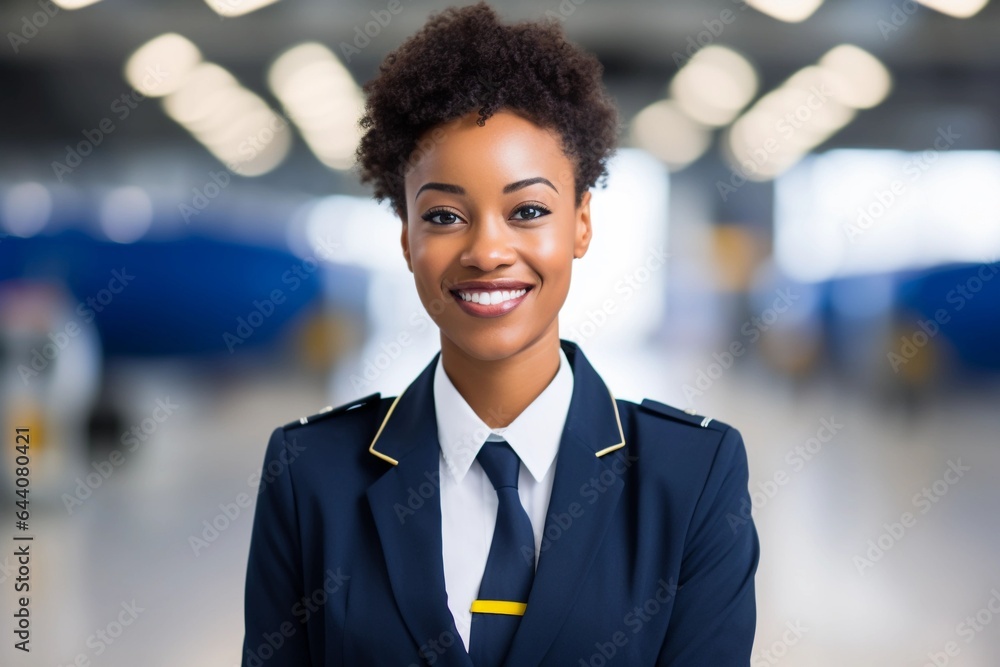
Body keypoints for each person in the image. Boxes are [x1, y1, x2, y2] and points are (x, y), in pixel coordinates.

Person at [241, 3, 759, 665]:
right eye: (446, 214)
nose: (488, 250)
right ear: (406, 238)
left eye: (529, 210)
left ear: (581, 223)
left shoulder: (690, 478)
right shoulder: (310, 475)